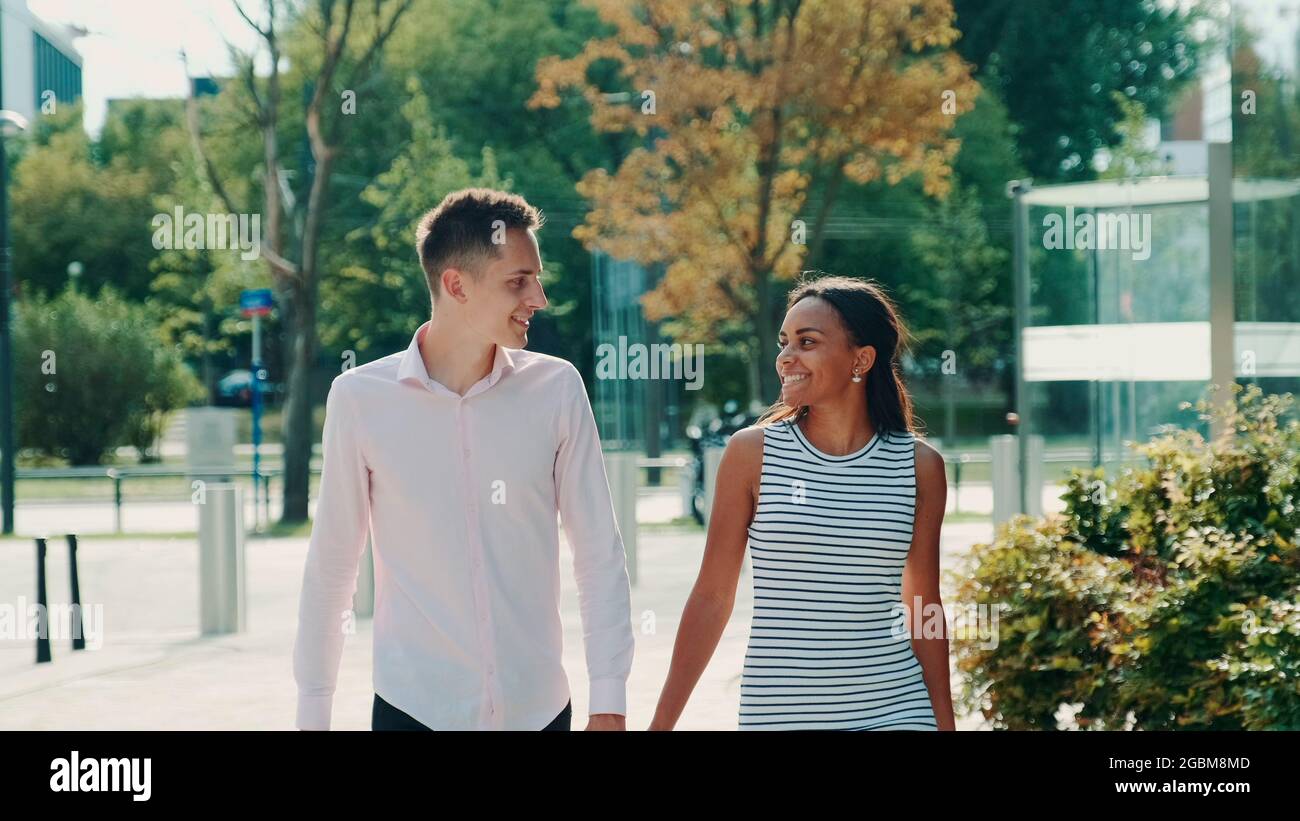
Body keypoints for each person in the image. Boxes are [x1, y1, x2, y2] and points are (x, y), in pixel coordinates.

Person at [293, 188, 634, 731]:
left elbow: (598, 553)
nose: (539, 298)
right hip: (414, 711)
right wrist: (314, 715)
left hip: (540, 712)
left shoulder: (557, 389)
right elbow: (333, 565)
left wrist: (609, 700)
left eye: (537, 278)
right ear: (456, 285)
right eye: (518, 281)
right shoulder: (360, 399)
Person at [650, 274, 955, 731]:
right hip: (780, 715)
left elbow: (922, 605)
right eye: (784, 342)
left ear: (861, 359)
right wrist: (661, 725)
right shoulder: (752, 454)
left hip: (896, 710)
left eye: (807, 342)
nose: (786, 357)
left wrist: (945, 724)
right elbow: (713, 596)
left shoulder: (919, 467)